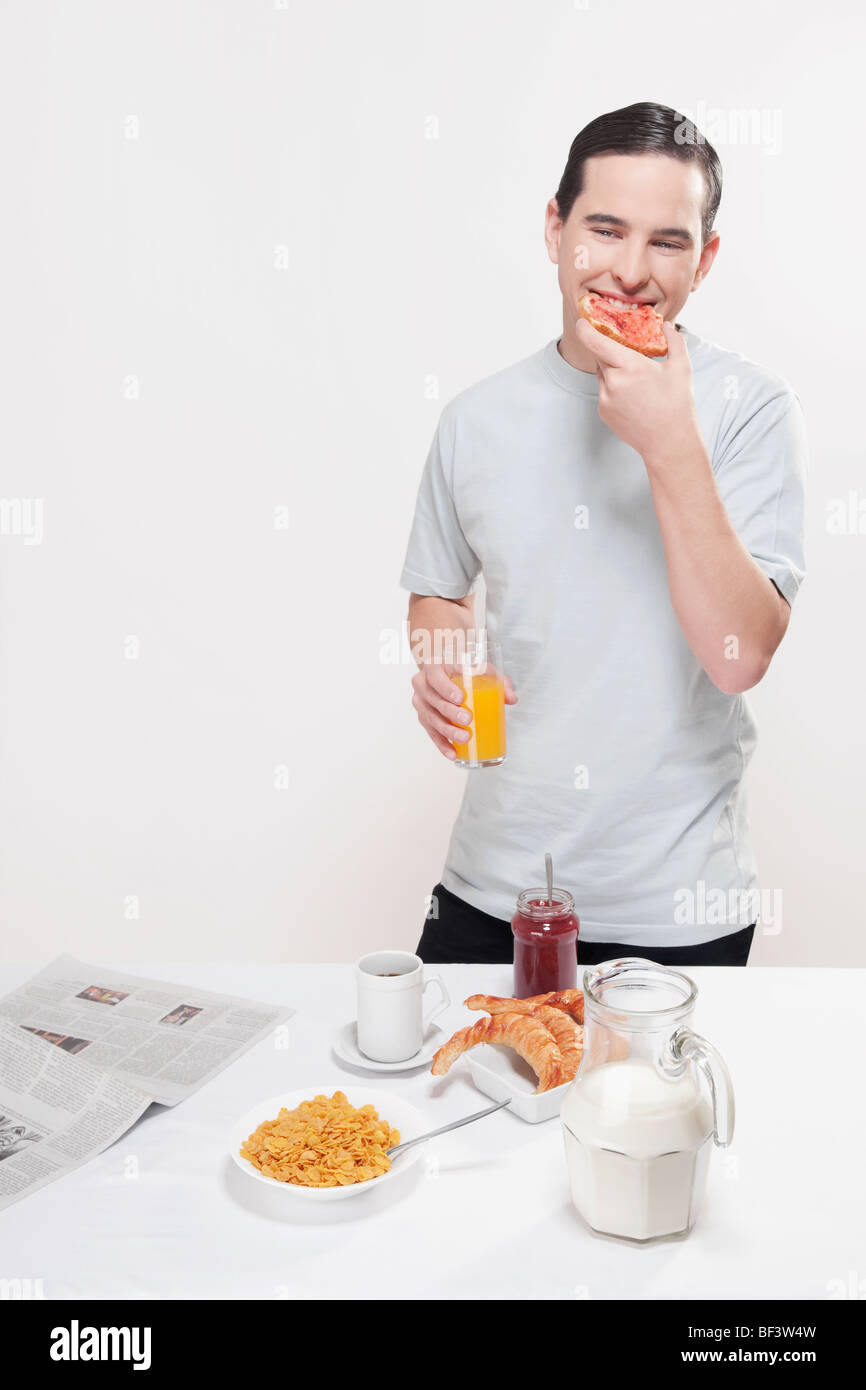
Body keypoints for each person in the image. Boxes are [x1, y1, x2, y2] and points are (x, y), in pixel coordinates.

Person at [399, 101, 807, 969]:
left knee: (659, 1111)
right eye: (606, 230)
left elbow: (740, 657)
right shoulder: (475, 419)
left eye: (668, 241)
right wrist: (440, 663)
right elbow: (437, 589)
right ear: (556, 230)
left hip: (680, 908)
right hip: (492, 890)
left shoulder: (752, 410)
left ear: (707, 259)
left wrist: (670, 443)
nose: (629, 272)